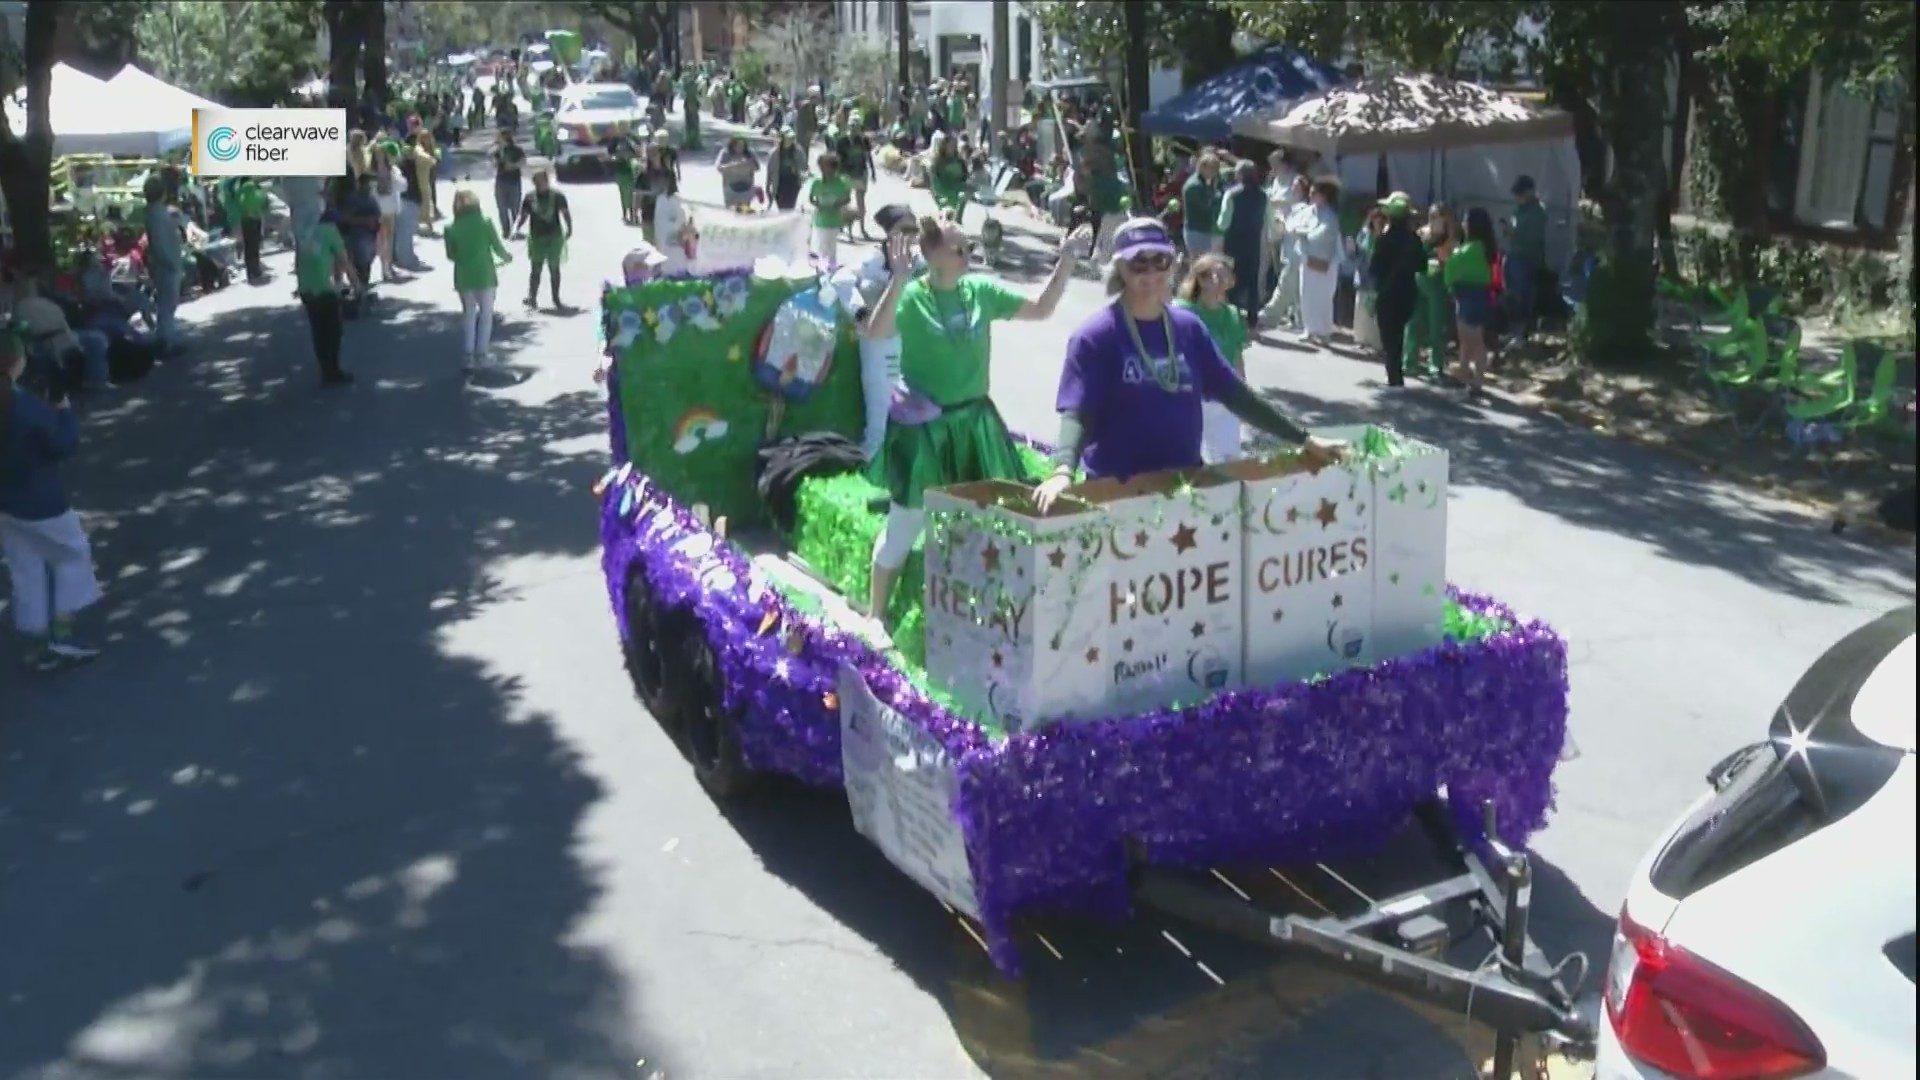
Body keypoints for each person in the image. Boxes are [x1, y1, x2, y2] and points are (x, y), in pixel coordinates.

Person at [859, 215, 1088, 643]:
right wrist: (899, 279)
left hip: (975, 423)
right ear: (932, 256)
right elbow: (876, 332)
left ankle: (983, 614)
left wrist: (1068, 259)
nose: (969, 254)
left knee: (986, 518)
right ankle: (875, 615)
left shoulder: (979, 290)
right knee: (906, 524)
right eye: (959, 248)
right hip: (926, 428)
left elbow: (1041, 309)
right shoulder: (911, 298)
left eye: (968, 247)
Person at [1035, 219, 1337, 506]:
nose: (1150, 273)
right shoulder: (1095, 336)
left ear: (1173, 264)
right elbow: (1078, 413)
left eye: (1160, 261)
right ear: (1120, 269)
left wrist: (1304, 439)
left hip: (1184, 489)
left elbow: (1236, 394)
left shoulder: (1188, 328)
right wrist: (1063, 469)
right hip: (1116, 491)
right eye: (1138, 262)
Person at [0, 331, 103, 670]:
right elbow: (61, 444)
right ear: (17, 362)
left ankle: (40, 641)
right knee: (69, 557)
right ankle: (63, 634)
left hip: (6, 504)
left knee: (26, 567)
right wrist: (65, 413)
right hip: (39, 499)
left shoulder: (19, 403)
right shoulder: (24, 407)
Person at [1173, 253, 1251, 465]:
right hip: (1192, 395)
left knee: (1228, 458)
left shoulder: (1233, 315)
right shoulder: (1181, 311)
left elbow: (1236, 357)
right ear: (1200, 279)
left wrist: (1243, 396)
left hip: (1224, 394)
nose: (1220, 282)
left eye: (1226, 277)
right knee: (1189, 457)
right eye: (1215, 276)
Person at [443, 189, 513, 370]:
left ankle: (468, 355)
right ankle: (481, 354)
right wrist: (506, 257)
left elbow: (451, 255)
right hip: (485, 275)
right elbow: (497, 247)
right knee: (486, 315)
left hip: (464, 278)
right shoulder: (485, 223)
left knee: (469, 315)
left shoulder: (450, 229)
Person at [294, 213, 362, 386]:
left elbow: (299, 261)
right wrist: (357, 286)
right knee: (334, 331)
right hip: (324, 287)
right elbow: (344, 261)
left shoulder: (303, 232)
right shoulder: (330, 232)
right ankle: (334, 370)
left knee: (318, 330)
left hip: (306, 288)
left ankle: (325, 369)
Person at [1368, 194, 1423, 388]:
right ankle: (1396, 375)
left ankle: (1394, 378)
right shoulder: (1414, 240)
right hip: (1408, 292)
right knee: (1399, 333)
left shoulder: (1383, 240)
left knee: (1388, 336)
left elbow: (1374, 268)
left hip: (1387, 293)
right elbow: (1422, 266)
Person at [1445, 207, 1498, 396]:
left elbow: (1452, 265)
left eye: (1466, 221)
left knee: (1474, 339)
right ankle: (1463, 373)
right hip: (1474, 295)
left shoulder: (1472, 249)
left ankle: (1478, 381)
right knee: (1466, 339)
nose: (1463, 224)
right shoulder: (1485, 248)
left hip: (1470, 295)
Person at [1214, 160, 1269, 326]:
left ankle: (1232, 315)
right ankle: (1252, 317)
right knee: (1252, 279)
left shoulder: (1231, 194)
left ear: (1239, 175)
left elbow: (1223, 223)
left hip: (1234, 242)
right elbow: (1269, 220)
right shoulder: (1263, 195)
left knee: (1232, 278)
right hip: (1253, 242)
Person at [516, 168, 573, 311]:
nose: (539, 184)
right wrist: (516, 228)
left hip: (554, 237)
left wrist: (570, 227)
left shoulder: (558, 196)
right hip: (536, 237)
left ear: (547, 181)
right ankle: (532, 298)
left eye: (542, 181)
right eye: (537, 181)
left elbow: (565, 213)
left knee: (554, 269)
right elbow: (524, 214)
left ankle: (556, 298)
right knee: (536, 269)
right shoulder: (529, 198)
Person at [1297, 179, 1343, 346]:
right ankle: (1309, 329)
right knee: (1306, 294)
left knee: (1322, 297)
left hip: (1326, 262)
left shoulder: (1331, 216)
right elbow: (1292, 224)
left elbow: (1319, 235)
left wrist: (1302, 232)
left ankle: (1324, 332)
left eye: (1314, 192)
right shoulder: (1307, 211)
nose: (1311, 195)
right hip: (1307, 258)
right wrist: (1300, 231)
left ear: (1324, 196)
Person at [141, 177, 184, 354]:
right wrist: (170, 262)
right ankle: (166, 342)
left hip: (165, 263)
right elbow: (159, 243)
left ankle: (166, 338)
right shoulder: (156, 214)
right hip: (166, 264)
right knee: (168, 304)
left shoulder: (155, 212)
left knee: (167, 304)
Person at [1505, 175, 1546, 342]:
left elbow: (1534, 239)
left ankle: (1521, 332)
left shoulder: (1538, 212)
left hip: (1527, 259)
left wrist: (1514, 234)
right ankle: (1513, 330)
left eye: (1521, 193)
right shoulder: (1518, 210)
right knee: (1513, 295)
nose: (1518, 197)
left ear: (1530, 192)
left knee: (1523, 295)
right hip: (1514, 255)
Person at [834, 112, 876, 238]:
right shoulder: (841, 140)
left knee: (861, 203)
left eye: (856, 126)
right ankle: (841, 225)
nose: (854, 129)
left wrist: (873, 171)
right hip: (846, 173)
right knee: (844, 201)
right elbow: (837, 159)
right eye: (852, 126)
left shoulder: (864, 141)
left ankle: (862, 229)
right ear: (848, 126)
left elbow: (868, 156)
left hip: (861, 172)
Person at [807, 151, 853, 266]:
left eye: (825, 166)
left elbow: (847, 199)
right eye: (821, 166)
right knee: (821, 246)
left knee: (830, 247)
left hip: (834, 219)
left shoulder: (841, 183)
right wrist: (818, 204)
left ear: (834, 168)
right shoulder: (817, 182)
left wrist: (838, 204)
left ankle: (830, 268)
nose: (822, 169)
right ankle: (823, 269)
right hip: (820, 219)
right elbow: (811, 198)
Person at [394, 134, 430, 269]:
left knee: (403, 232)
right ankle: (406, 259)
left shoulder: (404, 163)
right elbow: (429, 160)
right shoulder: (407, 163)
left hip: (409, 198)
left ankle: (403, 258)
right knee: (405, 232)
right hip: (409, 198)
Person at [1180, 151, 1223, 258]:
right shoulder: (1194, 186)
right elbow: (1207, 207)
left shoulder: (1205, 182)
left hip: (1205, 230)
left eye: (1216, 169)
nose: (1214, 172)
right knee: (1199, 265)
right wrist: (1219, 196)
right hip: (1196, 231)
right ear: (1202, 167)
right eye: (1212, 169)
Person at [370, 142, 402, 279]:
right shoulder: (393, 170)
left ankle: (386, 267)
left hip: (378, 208)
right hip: (388, 208)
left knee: (381, 239)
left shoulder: (370, 171)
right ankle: (387, 268)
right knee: (387, 239)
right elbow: (402, 185)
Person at [492, 128, 526, 238]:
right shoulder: (497, 151)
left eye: (499, 137)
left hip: (514, 181)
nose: (497, 139)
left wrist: (514, 165)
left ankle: (516, 229)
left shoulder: (516, 150)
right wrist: (499, 155)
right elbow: (494, 163)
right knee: (502, 207)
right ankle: (505, 230)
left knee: (515, 206)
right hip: (501, 181)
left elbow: (523, 161)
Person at [716, 136, 758, 212]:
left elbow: (757, 168)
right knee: (731, 211)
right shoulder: (725, 153)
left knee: (744, 211)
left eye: (742, 145)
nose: (740, 148)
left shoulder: (750, 153)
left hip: (746, 187)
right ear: (732, 145)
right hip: (730, 188)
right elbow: (719, 168)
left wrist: (748, 164)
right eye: (737, 145)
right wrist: (733, 165)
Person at [611, 128, 641, 227]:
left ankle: (633, 215)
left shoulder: (633, 138)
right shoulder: (615, 140)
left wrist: (630, 142)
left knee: (633, 194)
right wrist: (618, 157)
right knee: (623, 194)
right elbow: (610, 152)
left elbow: (639, 152)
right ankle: (625, 214)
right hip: (621, 171)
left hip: (632, 171)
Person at [769, 129, 805, 211]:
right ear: (782, 139)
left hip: (793, 183)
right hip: (779, 183)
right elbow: (770, 171)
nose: (790, 141)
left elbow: (804, 167)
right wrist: (768, 186)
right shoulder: (774, 152)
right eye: (788, 138)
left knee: (789, 206)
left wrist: (796, 167)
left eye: (792, 138)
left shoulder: (798, 151)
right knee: (781, 206)